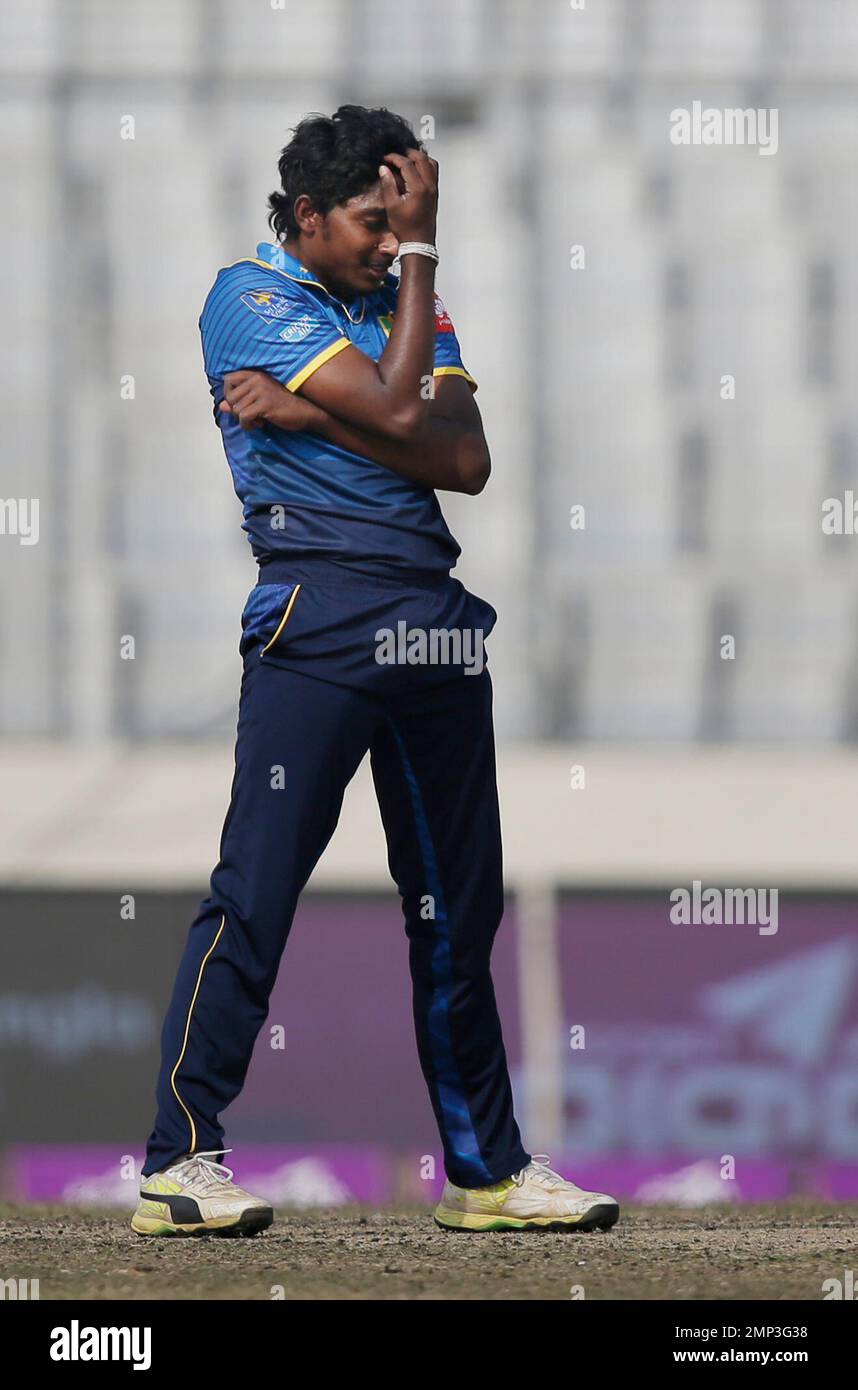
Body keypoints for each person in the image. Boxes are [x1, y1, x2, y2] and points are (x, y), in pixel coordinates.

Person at [131, 104, 619, 1237]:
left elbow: (468, 459)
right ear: (305, 214)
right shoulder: (246, 297)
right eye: (370, 225)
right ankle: (180, 1161)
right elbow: (412, 413)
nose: (392, 247)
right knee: (257, 891)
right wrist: (419, 284)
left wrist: (309, 409)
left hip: (434, 618)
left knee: (459, 907)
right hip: (321, 607)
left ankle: (487, 1173)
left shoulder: (398, 302)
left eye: (402, 229)